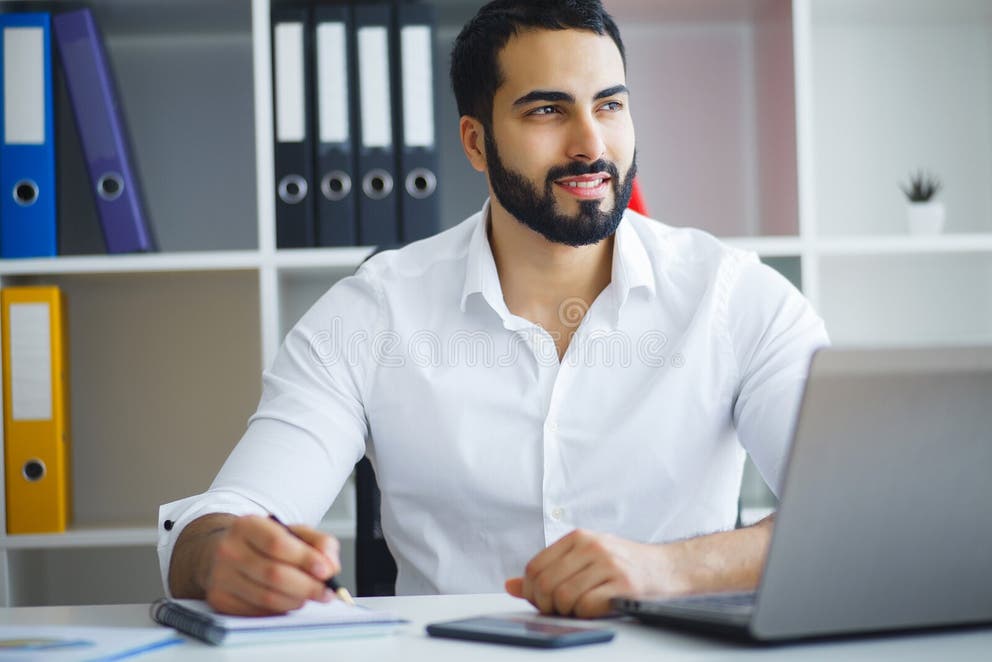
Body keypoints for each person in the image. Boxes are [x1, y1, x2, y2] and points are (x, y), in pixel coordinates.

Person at [159, 0, 828, 619]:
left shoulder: (736, 298)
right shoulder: (372, 311)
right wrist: (226, 556)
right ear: (476, 142)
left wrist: (666, 570)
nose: (590, 144)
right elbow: (224, 520)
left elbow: (851, 515)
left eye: (610, 105)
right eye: (547, 111)